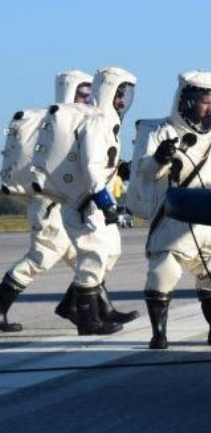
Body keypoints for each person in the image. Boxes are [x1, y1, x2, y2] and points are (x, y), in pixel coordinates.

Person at [128, 71, 211, 350]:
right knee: (164, 272)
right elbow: (145, 170)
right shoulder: (159, 131)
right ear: (186, 101)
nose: (208, 108)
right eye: (203, 101)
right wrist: (161, 157)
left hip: (209, 217)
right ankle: (159, 335)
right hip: (175, 214)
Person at [0, 70, 91, 332]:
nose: (86, 99)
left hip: (63, 202)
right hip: (50, 201)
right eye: (82, 94)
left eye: (89, 94)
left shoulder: (61, 122)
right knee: (42, 256)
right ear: (69, 92)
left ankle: (81, 310)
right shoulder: (60, 125)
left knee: (87, 257)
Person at [59, 66, 139, 335]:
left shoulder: (107, 122)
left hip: (96, 203)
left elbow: (105, 165)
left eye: (125, 94)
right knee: (92, 256)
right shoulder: (95, 121)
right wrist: (106, 203)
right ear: (107, 91)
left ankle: (73, 304)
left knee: (111, 251)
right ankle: (87, 321)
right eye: (119, 93)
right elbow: (92, 167)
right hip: (86, 204)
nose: (123, 99)